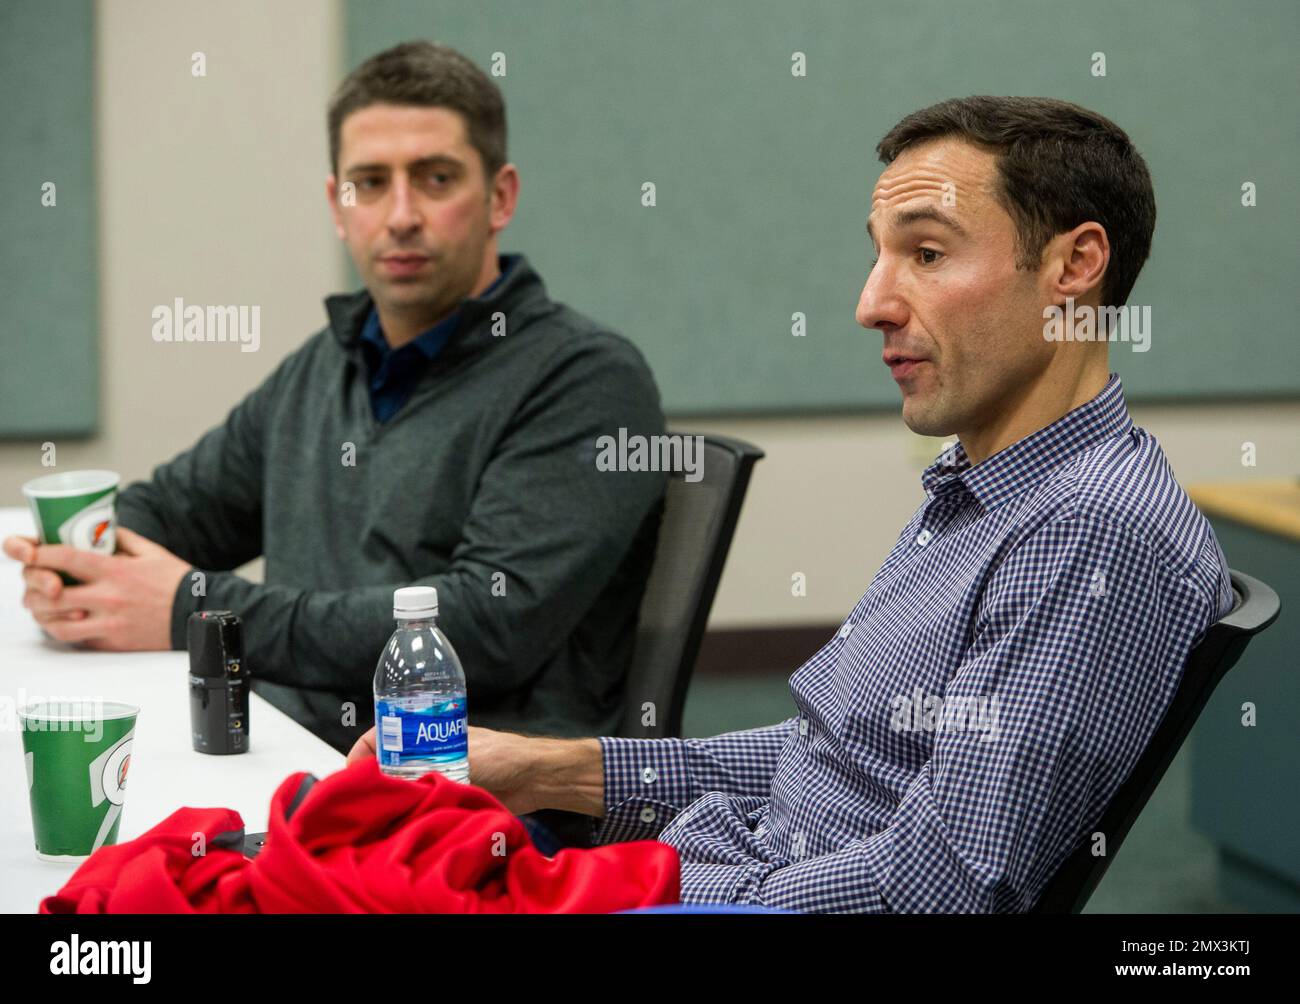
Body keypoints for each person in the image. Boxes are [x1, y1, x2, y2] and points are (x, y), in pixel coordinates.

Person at [349, 96, 1234, 912]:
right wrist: (544, 769)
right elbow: (829, 757)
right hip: (722, 865)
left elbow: (935, 889)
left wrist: (623, 888)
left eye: (926, 254)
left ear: (1073, 267)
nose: (870, 304)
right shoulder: (989, 491)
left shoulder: (1090, 532)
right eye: (879, 253)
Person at [3, 41, 667, 755]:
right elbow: (173, 514)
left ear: (500, 197)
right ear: (337, 204)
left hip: (466, 810)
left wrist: (192, 608)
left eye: (436, 178)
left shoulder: (586, 379)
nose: (401, 214)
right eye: (371, 182)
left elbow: (483, 628)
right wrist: (73, 564)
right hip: (293, 764)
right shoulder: (328, 364)